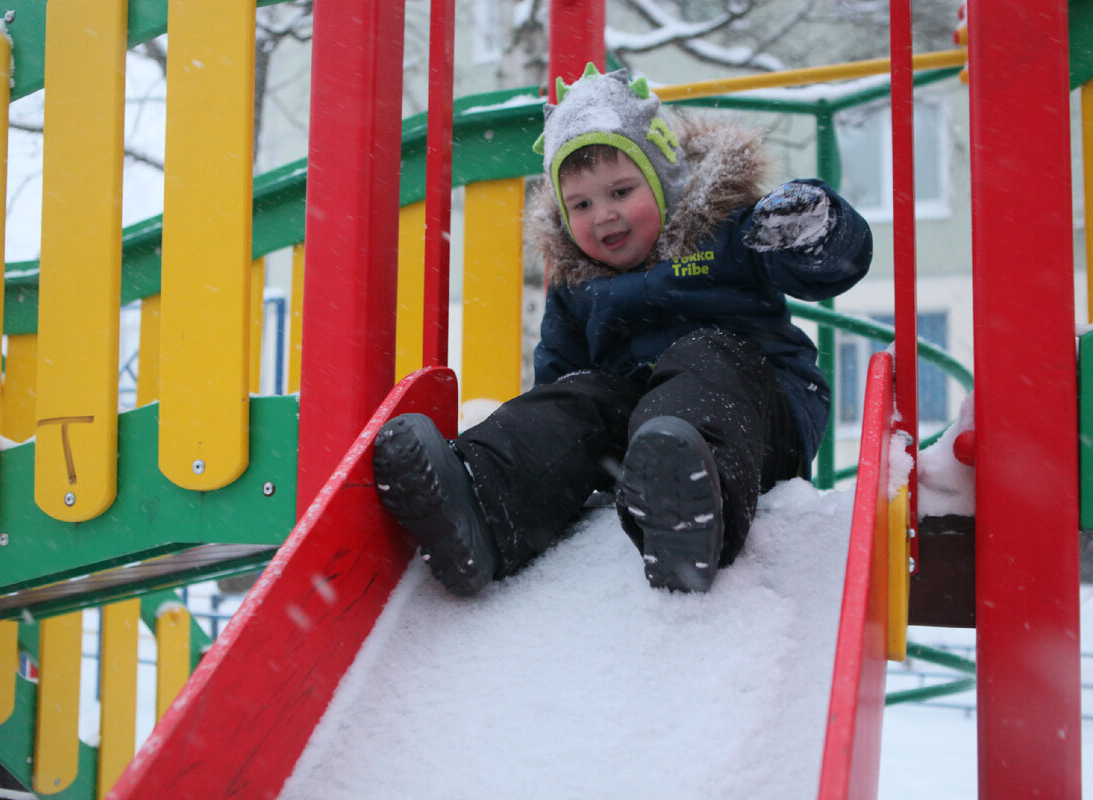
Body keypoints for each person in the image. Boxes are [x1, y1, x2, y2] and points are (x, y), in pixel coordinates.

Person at [373, 64, 872, 596]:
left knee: (704, 353)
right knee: (585, 395)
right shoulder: (577, 286)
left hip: (756, 417)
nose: (603, 214)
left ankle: (699, 510)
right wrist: (542, 452)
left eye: (620, 190)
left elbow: (826, 271)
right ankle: (484, 506)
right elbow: (559, 386)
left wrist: (813, 227)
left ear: (664, 181)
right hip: (643, 453)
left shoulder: (728, 231)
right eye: (581, 204)